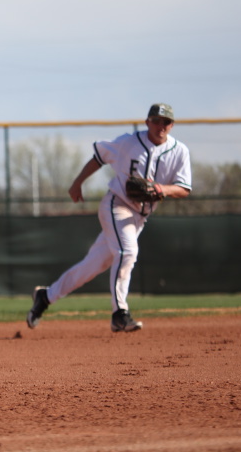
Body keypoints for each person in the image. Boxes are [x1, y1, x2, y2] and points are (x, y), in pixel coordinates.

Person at [26, 103, 192, 332]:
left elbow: (184, 189)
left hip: (140, 218)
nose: (160, 126)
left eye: (165, 122)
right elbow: (99, 156)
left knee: (92, 266)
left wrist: (163, 189)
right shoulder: (128, 142)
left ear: (172, 125)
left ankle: (46, 296)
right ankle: (119, 313)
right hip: (117, 204)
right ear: (147, 122)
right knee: (127, 252)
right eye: (156, 120)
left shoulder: (180, 151)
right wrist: (77, 182)